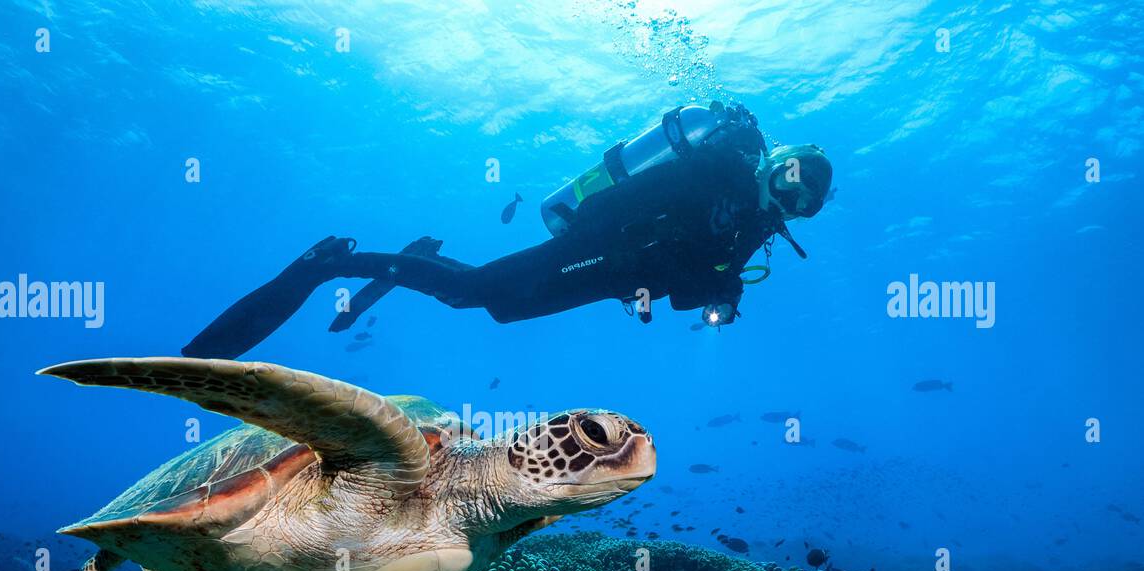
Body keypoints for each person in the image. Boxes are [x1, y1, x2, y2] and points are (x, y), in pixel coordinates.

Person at [182, 102, 832, 360]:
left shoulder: (756, 224)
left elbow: (702, 284)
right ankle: (333, 263)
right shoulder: (719, 166)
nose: (789, 199)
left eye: (802, 202)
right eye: (789, 180)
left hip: (617, 280)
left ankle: (410, 261)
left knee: (497, 309)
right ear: (776, 162)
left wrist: (725, 300)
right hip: (598, 250)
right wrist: (592, 241)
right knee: (476, 295)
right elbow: (638, 194)